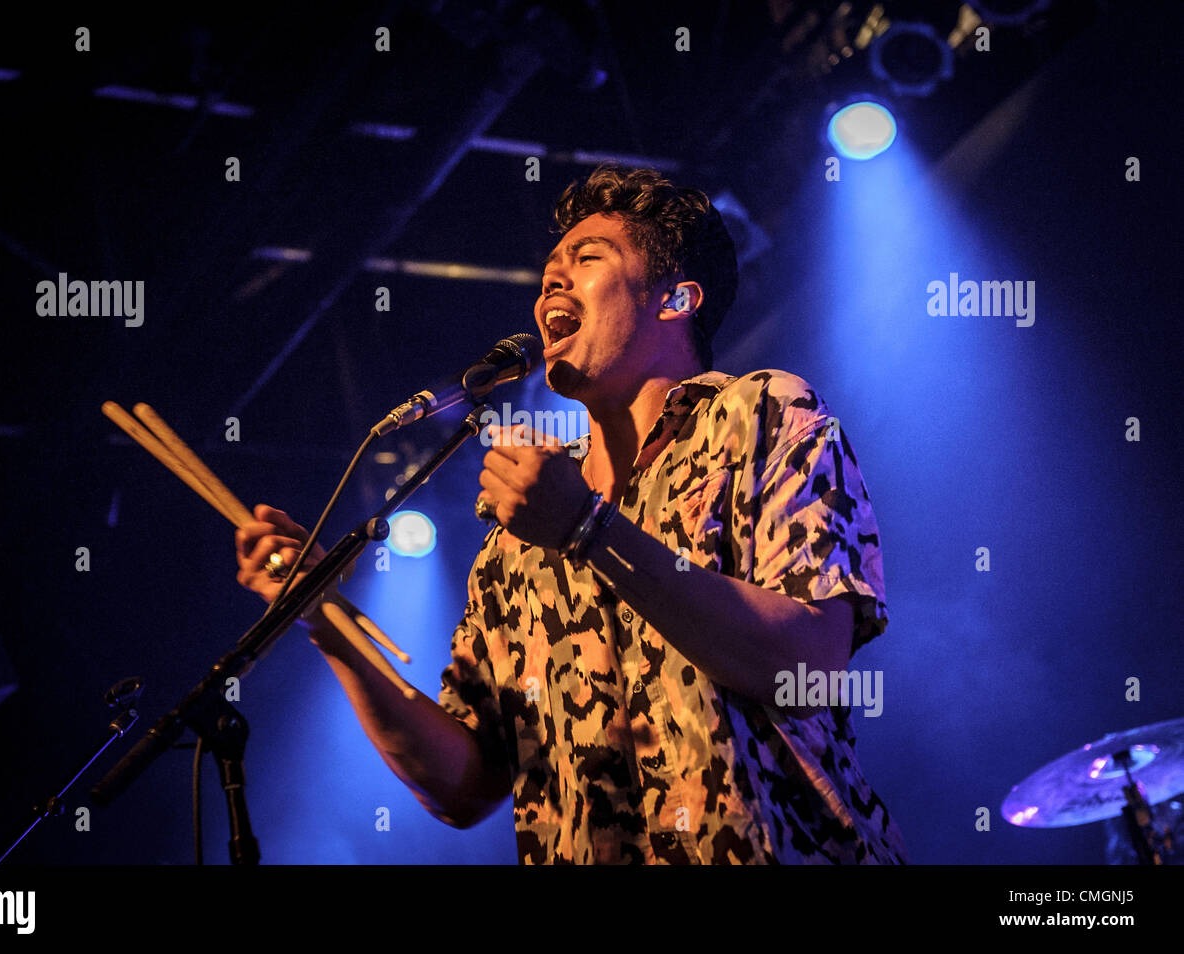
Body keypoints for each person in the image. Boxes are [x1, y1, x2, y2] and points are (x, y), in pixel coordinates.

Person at [235, 164, 908, 864]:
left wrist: (587, 529)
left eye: (587, 259)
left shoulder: (761, 412)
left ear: (677, 299)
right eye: (550, 267)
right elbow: (464, 786)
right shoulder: (516, 541)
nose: (553, 280)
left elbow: (813, 667)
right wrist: (329, 623)